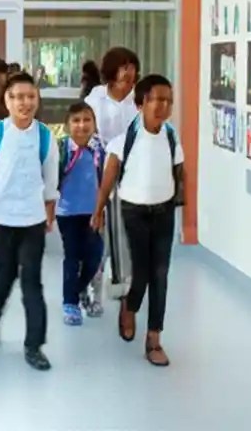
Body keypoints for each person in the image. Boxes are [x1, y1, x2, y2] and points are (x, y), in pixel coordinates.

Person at [91, 75, 184, 367]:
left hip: (164, 212)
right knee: (141, 273)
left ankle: (154, 338)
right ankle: (129, 308)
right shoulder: (123, 141)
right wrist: (97, 211)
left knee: (160, 275)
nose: (163, 105)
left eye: (168, 100)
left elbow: (180, 174)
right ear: (141, 103)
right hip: (133, 212)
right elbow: (107, 182)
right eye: (157, 99)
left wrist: (184, 206)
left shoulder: (171, 137)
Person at [0, 72, 59, 371]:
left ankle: (34, 345)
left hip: (33, 222)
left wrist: (48, 215)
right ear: (7, 101)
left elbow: (50, 183)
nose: (25, 102)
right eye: (18, 97)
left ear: (37, 100)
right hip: (0, 220)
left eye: (30, 97)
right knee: (4, 276)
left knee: (32, 282)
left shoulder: (46, 137)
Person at [83, 47, 141, 303]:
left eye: (132, 67)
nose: (128, 73)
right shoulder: (96, 98)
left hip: (130, 170)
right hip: (99, 168)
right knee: (97, 226)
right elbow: (85, 133)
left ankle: (122, 279)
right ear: (111, 71)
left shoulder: (140, 99)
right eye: (123, 67)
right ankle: (90, 280)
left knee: (125, 227)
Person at [55, 102, 107, 324]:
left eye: (87, 120)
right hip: (67, 213)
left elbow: (106, 179)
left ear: (94, 124)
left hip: (94, 213)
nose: (82, 125)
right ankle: (70, 303)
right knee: (73, 257)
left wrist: (102, 207)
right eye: (76, 120)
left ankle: (79, 289)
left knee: (95, 256)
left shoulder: (100, 149)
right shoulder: (61, 149)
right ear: (67, 126)